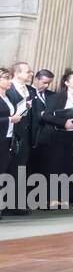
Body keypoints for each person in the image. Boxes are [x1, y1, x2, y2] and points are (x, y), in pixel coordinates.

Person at [44, 70, 73, 206]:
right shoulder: (58, 97)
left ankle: (63, 197)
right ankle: (53, 198)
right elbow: (46, 115)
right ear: (66, 82)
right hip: (59, 134)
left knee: (68, 166)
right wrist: (64, 122)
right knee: (55, 165)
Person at [4, 62, 34, 214]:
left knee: (19, 170)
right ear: (16, 73)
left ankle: (15, 204)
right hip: (11, 135)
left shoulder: (29, 90)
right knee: (7, 169)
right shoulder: (9, 89)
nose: (30, 74)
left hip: (25, 135)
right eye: (27, 71)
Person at [0, 67, 25, 216]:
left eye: (10, 78)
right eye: (6, 78)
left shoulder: (8, 97)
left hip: (8, 139)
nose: (9, 81)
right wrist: (10, 119)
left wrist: (22, 111)